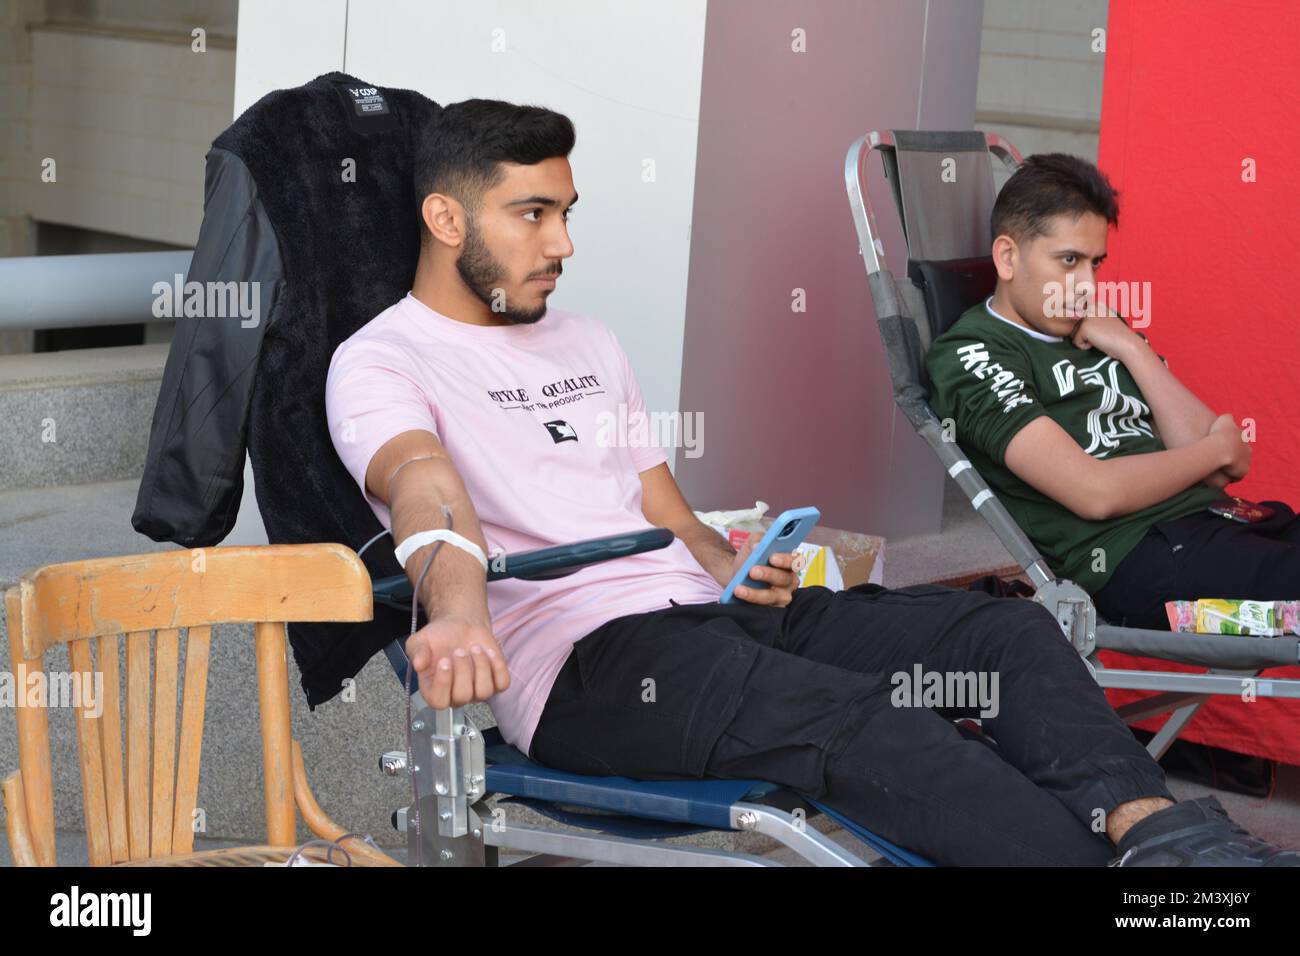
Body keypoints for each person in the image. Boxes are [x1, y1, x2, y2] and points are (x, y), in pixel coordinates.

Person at [325, 101, 1297, 866]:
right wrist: (454, 613)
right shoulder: (383, 361)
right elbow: (426, 489)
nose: (561, 244)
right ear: (446, 217)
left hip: (711, 615)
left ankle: (1155, 833)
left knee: (998, 628)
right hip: (591, 663)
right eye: (531, 215)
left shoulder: (587, 338)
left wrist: (734, 564)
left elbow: (662, 506)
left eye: (566, 213)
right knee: (857, 723)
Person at [926, 152, 1300, 631]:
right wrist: (1212, 451)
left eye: (1095, 263)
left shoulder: (1099, 325)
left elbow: (1232, 465)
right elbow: (1093, 492)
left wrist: (1131, 348)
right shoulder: (972, 355)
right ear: (1007, 257)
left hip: (1221, 522)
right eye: (1068, 261)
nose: (1085, 285)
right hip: (1137, 559)